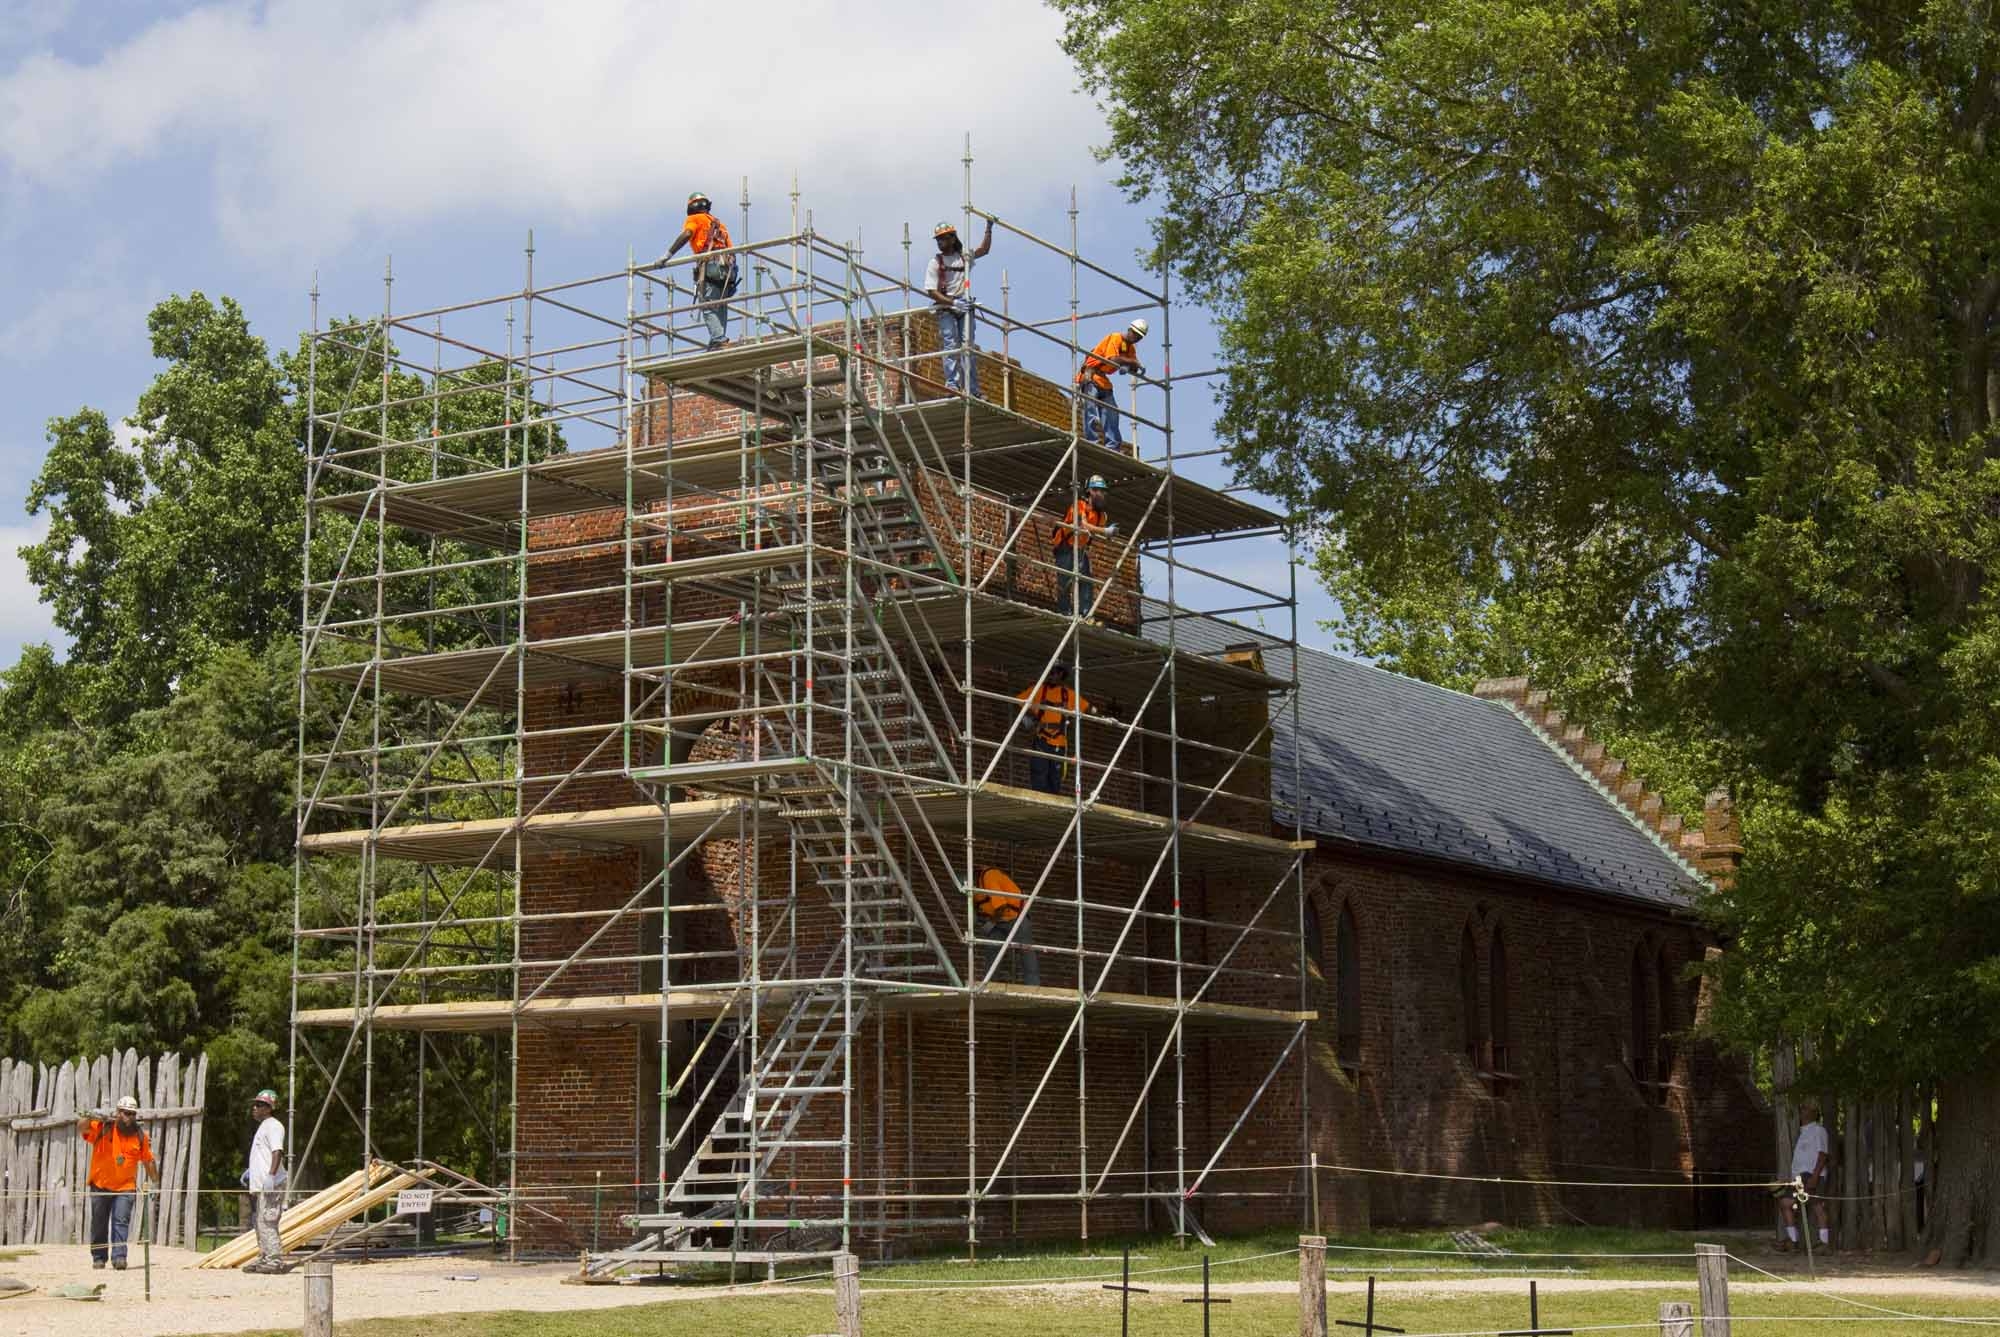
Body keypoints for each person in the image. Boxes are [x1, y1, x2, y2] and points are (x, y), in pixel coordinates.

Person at [77, 1095, 154, 1270]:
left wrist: (155, 1182)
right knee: (99, 1223)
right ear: (118, 1112)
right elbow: (81, 1128)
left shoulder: (140, 1136)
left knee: (121, 1221)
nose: (129, 1117)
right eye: (126, 1113)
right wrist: (89, 1115)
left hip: (126, 1187)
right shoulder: (103, 1127)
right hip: (100, 1185)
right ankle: (99, 1257)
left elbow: (148, 1160)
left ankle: (119, 1257)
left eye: (132, 1113)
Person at [658, 191, 738, 350]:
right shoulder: (719, 224)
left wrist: (668, 255)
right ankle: (719, 339)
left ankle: (719, 339)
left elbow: (687, 233)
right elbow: (731, 250)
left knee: (708, 305)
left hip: (711, 266)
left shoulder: (695, 219)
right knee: (720, 304)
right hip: (728, 269)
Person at [924, 217, 993, 396]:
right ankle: (952, 385)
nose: (941, 242)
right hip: (946, 307)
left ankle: (972, 389)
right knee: (950, 345)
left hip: (964, 306)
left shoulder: (963, 258)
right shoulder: (935, 262)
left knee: (967, 347)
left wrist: (989, 228)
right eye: (939, 239)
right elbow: (931, 291)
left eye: (944, 238)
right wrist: (952, 302)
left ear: (953, 238)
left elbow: (983, 250)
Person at [1014, 663, 1094, 795]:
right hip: (1041, 739)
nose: (1051, 675)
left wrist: (1103, 717)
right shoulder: (1038, 689)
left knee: (1055, 779)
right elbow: (1016, 702)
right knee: (1039, 774)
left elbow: (1088, 708)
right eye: (1049, 672)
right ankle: (1039, 802)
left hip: (1059, 742)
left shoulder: (1068, 694)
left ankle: (1050, 804)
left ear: (1061, 674)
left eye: (1055, 672)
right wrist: (1028, 719)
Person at [1077, 318, 1148, 450]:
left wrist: (1135, 366)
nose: (1137, 338)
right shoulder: (1115, 338)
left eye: (1140, 337)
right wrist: (1132, 362)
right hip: (1091, 376)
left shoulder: (1130, 348)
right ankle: (1092, 442)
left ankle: (1113, 446)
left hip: (1104, 381)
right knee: (1091, 411)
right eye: (1136, 334)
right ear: (1130, 330)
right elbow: (1112, 359)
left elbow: (1132, 366)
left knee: (1112, 414)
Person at [1051, 475, 1115, 620]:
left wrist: (1109, 534)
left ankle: (1085, 613)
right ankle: (1064, 611)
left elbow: (1097, 530)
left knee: (1086, 580)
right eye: (1099, 491)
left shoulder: (1101, 515)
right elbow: (1083, 525)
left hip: (1080, 549)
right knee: (1065, 580)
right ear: (1091, 491)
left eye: (1104, 492)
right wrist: (1105, 531)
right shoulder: (1079, 505)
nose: (1102, 495)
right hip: (1065, 547)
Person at [241, 1088, 289, 1274]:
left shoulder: (274, 1126)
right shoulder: (264, 1127)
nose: (254, 1108)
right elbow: (263, 1154)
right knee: (260, 1221)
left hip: (272, 1183)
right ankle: (264, 1256)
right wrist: (252, 1172)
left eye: (259, 1105)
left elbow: (277, 1151)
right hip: (262, 1185)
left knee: (268, 1221)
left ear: (269, 1108)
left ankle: (274, 1259)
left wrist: (271, 1175)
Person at [1778, 1099, 1832, 1252]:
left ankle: (1824, 1243)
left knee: (1817, 1206)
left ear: (1813, 1112)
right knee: (1786, 1203)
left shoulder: (1818, 1130)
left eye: (1805, 1108)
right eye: (1802, 1108)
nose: (1802, 1111)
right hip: (1799, 1176)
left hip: (1812, 1174)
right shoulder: (1803, 1132)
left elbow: (1822, 1155)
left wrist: (1815, 1176)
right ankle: (1793, 1241)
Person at [972, 866, 1040, 987]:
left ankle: (1033, 986)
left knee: (1025, 952)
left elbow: (1001, 907)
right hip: (999, 921)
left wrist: (990, 924)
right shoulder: (975, 889)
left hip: (1017, 918)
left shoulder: (988, 876)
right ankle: (990, 985)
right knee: (992, 950)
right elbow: (978, 907)